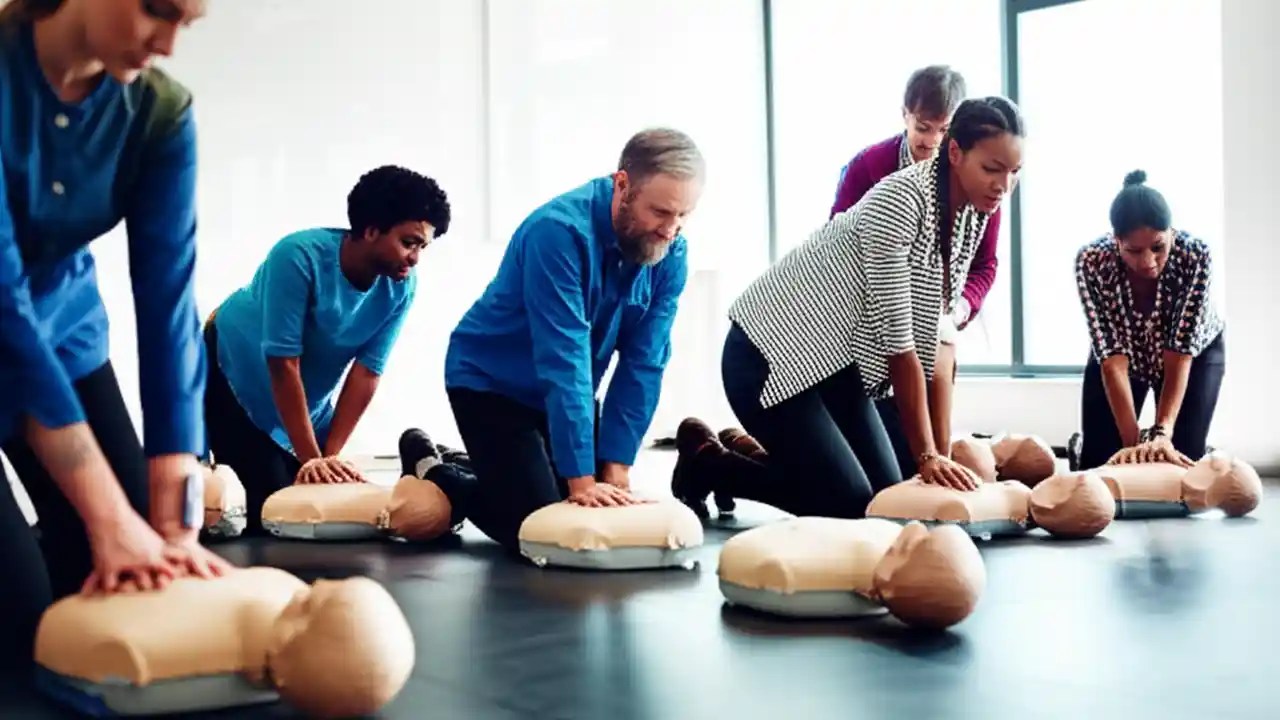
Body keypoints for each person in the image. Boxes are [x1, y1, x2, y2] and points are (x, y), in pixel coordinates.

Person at [0, 0, 230, 667]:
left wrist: (177, 521)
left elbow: (169, 306)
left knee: (142, 575)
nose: (168, 44)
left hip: (64, 336)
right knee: (22, 610)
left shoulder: (160, 112)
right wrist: (108, 519)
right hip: (11, 328)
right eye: (157, 11)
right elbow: (4, 310)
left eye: (188, 23)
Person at [672, 97, 1025, 520]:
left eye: (1014, 172)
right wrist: (930, 455)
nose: (1003, 186)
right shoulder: (901, 203)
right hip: (769, 355)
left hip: (838, 368)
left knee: (887, 495)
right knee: (852, 502)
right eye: (992, 169)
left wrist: (938, 454)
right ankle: (709, 464)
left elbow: (939, 343)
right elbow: (902, 347)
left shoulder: (974, 212)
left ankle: (746, 451)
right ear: (955, 153)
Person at [399, 128, 703, 554]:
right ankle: (436, 468)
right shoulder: (556, 233)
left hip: (561, 395)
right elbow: (566, 356)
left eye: (683, 216)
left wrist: (614, 471)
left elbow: (644, 362)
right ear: (622, 185)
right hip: (491, 383)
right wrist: (581, 481)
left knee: (590, 505)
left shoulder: (671, 253)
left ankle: (481, 463)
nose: (671, 229)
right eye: (660, 212)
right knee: (537, 523)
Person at [203, 166, 451, 533]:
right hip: (233, 372)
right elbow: (283, 362)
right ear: (370, 230)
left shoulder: (401, 288)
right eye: (409, 242)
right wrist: (309, 459)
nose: (415, 258)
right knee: (272, 509)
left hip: (307, 396)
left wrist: (328, 455)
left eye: (422, 247)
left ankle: (433, 461)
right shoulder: (298, 256)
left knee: (326, 492)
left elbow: (367, 372)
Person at [830, 65, 1000, 479]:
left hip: (933, 329)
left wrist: (956, 311)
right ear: (904, 114)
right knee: (868, 473)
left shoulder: (978, 180)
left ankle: (935, 462)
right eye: (924, 127)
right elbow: (837, 245)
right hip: (866, 332)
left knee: (912, 464)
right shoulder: (869, 167)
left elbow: (984, 265)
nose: (932, 141)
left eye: (945, 131)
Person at [1072, 171, 1225, 470]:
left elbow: (1179, 354)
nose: (1148, 262)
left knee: (1180, 462)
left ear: (1171, 232)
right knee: (1102, 465)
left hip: (1193, 355)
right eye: (1133, 251)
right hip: (1123, 357)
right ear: (1116, 241)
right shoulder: (1091, 261)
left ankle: (1198, 445)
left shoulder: (1196, 256)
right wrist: (1132, 446)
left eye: (1158, 247)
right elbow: (1112, 360)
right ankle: (1084, 447)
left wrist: (1162, 435)